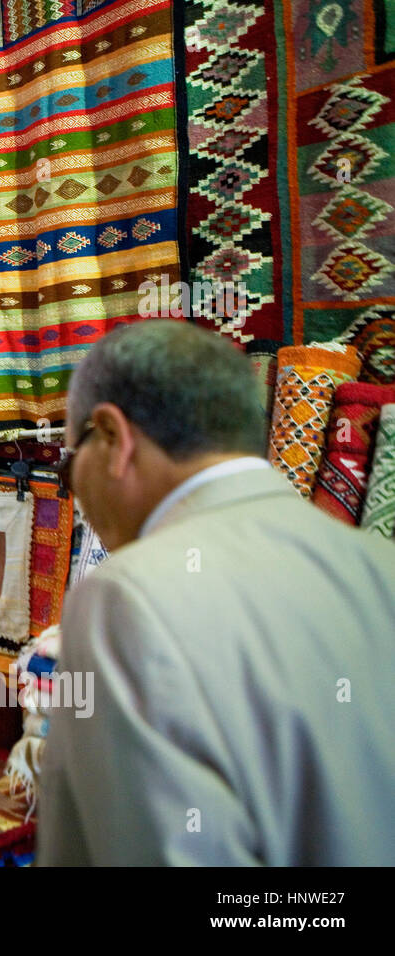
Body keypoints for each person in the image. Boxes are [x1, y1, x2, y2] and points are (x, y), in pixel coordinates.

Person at [39, 321, 395, 866]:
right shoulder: (379, 567)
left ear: (112, 437)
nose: (77, 490)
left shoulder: (126, 598)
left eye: (69, 463)